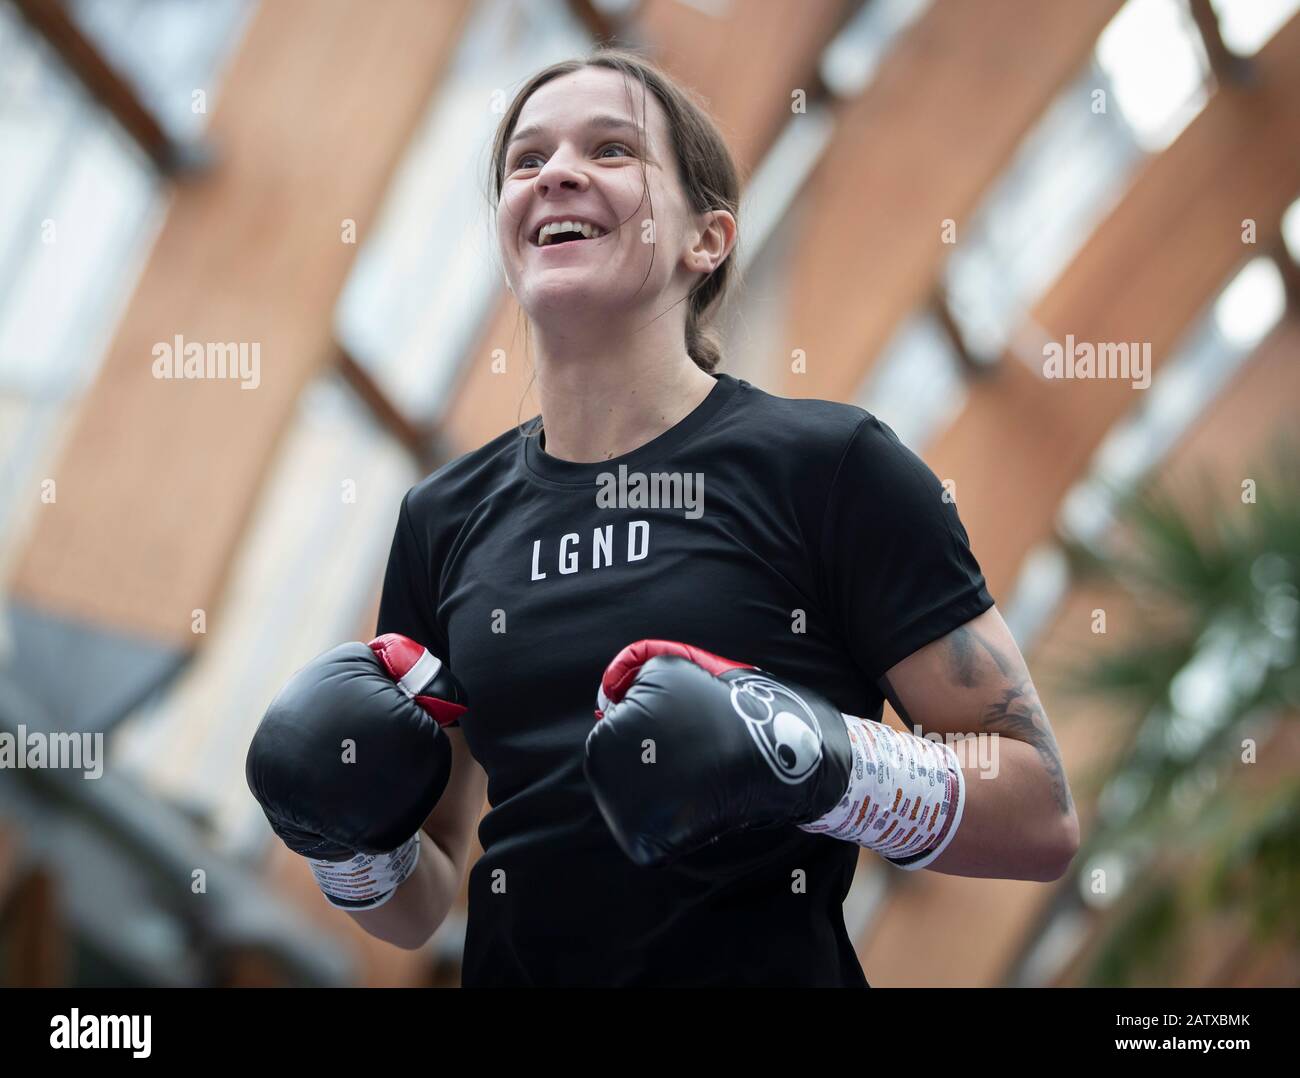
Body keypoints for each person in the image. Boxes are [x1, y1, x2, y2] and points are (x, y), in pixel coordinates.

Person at [256, 47, 1079, 987]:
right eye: (527, 162)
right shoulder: (443, 518)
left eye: (612, 149)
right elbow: (423, 899)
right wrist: (344, 843)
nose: (556, 172)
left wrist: (813, 756)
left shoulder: (831, 468)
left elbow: (1040, 810)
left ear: (709, 239)